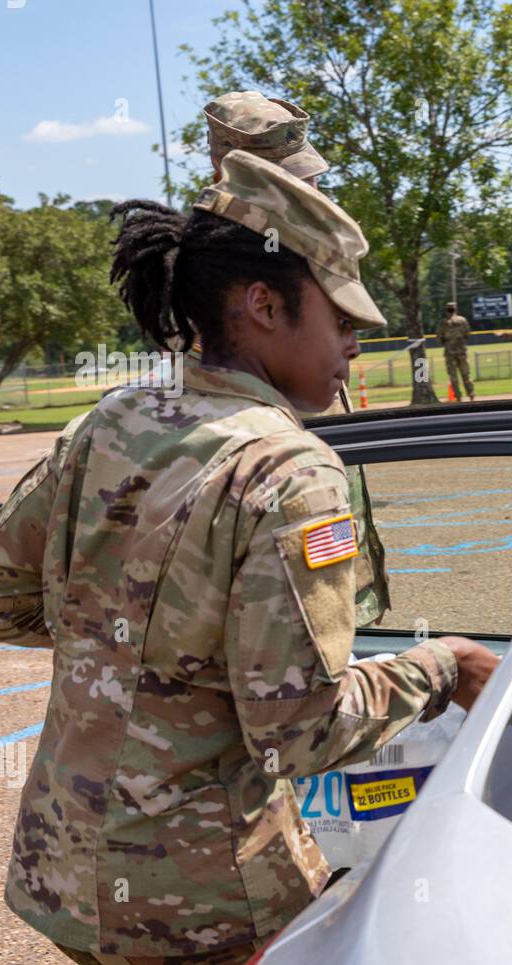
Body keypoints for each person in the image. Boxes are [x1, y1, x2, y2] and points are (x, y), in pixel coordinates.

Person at [0, 150, 499, 965]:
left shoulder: (117, 415)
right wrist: (449, 666)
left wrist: (124, 639)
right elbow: (300, 731)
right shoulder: (290, 469)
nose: (358, 344)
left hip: (66, 873)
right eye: (344, 320)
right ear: (264, 305)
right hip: (204, 907)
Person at [202, 89, 390, 625]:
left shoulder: (298, 254)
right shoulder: (213, 273)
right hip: (278, 606)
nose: (314, 190)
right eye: (295, 180)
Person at [436, 302, 474, 401]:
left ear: (446, 310)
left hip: (449, 352)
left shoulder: (443, 323)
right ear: (455, 309)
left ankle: (458, 396)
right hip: (462, 350)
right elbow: (468, 334)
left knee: (453, 376)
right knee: (466, 374)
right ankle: (471, 394)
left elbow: (439, 338)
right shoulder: (462, 320)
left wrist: (446, 343)